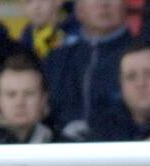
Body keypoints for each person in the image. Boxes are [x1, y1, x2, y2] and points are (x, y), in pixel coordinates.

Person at [43, 0, 132, 142]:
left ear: (125, 5)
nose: (103, 4)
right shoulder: (56, 60)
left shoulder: (144, 57)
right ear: (78, 10)